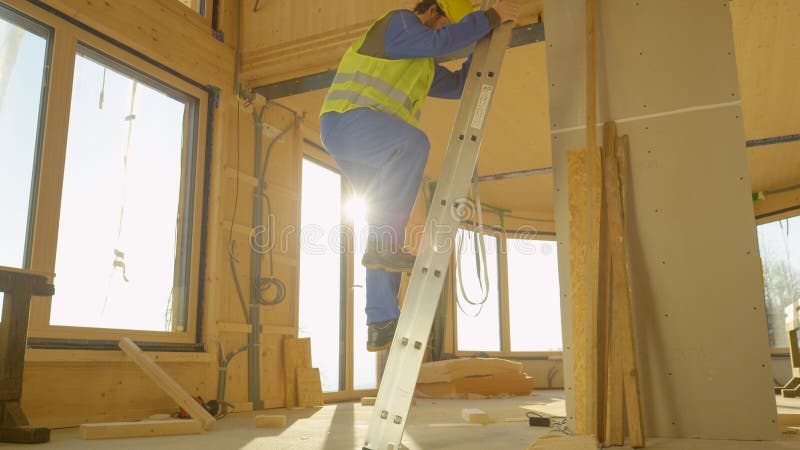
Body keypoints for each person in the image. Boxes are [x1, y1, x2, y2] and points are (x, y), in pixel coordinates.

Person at [319, 0, 520, 351]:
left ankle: (380, 320)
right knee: (413, 145)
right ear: (429, 10)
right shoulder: (397, 24)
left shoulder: (422, 64)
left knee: (383, 221)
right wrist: (489, 18)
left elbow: (459, 85)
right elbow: (440, 43)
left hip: (374, 142)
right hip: (347, 122)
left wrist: (483, 46)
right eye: (443, 21)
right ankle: (385, 250)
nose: (443, 30)